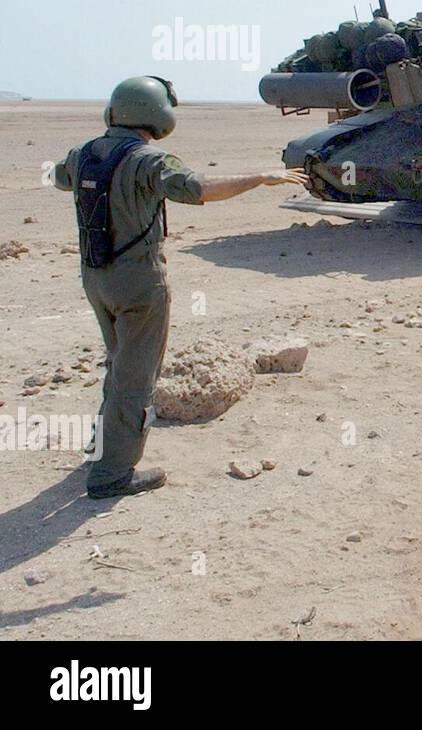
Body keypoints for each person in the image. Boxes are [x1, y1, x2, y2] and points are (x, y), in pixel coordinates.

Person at [53, 76, 308, 499]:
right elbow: (198, 189)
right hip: (138, 282)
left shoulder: (82, 154)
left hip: (95, 276)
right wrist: (261, 176)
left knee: (119, 363)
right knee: (136, 378)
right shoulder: (148, 160)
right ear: (157, 113)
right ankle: (111, 475)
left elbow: (62, 178)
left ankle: (103, 445)